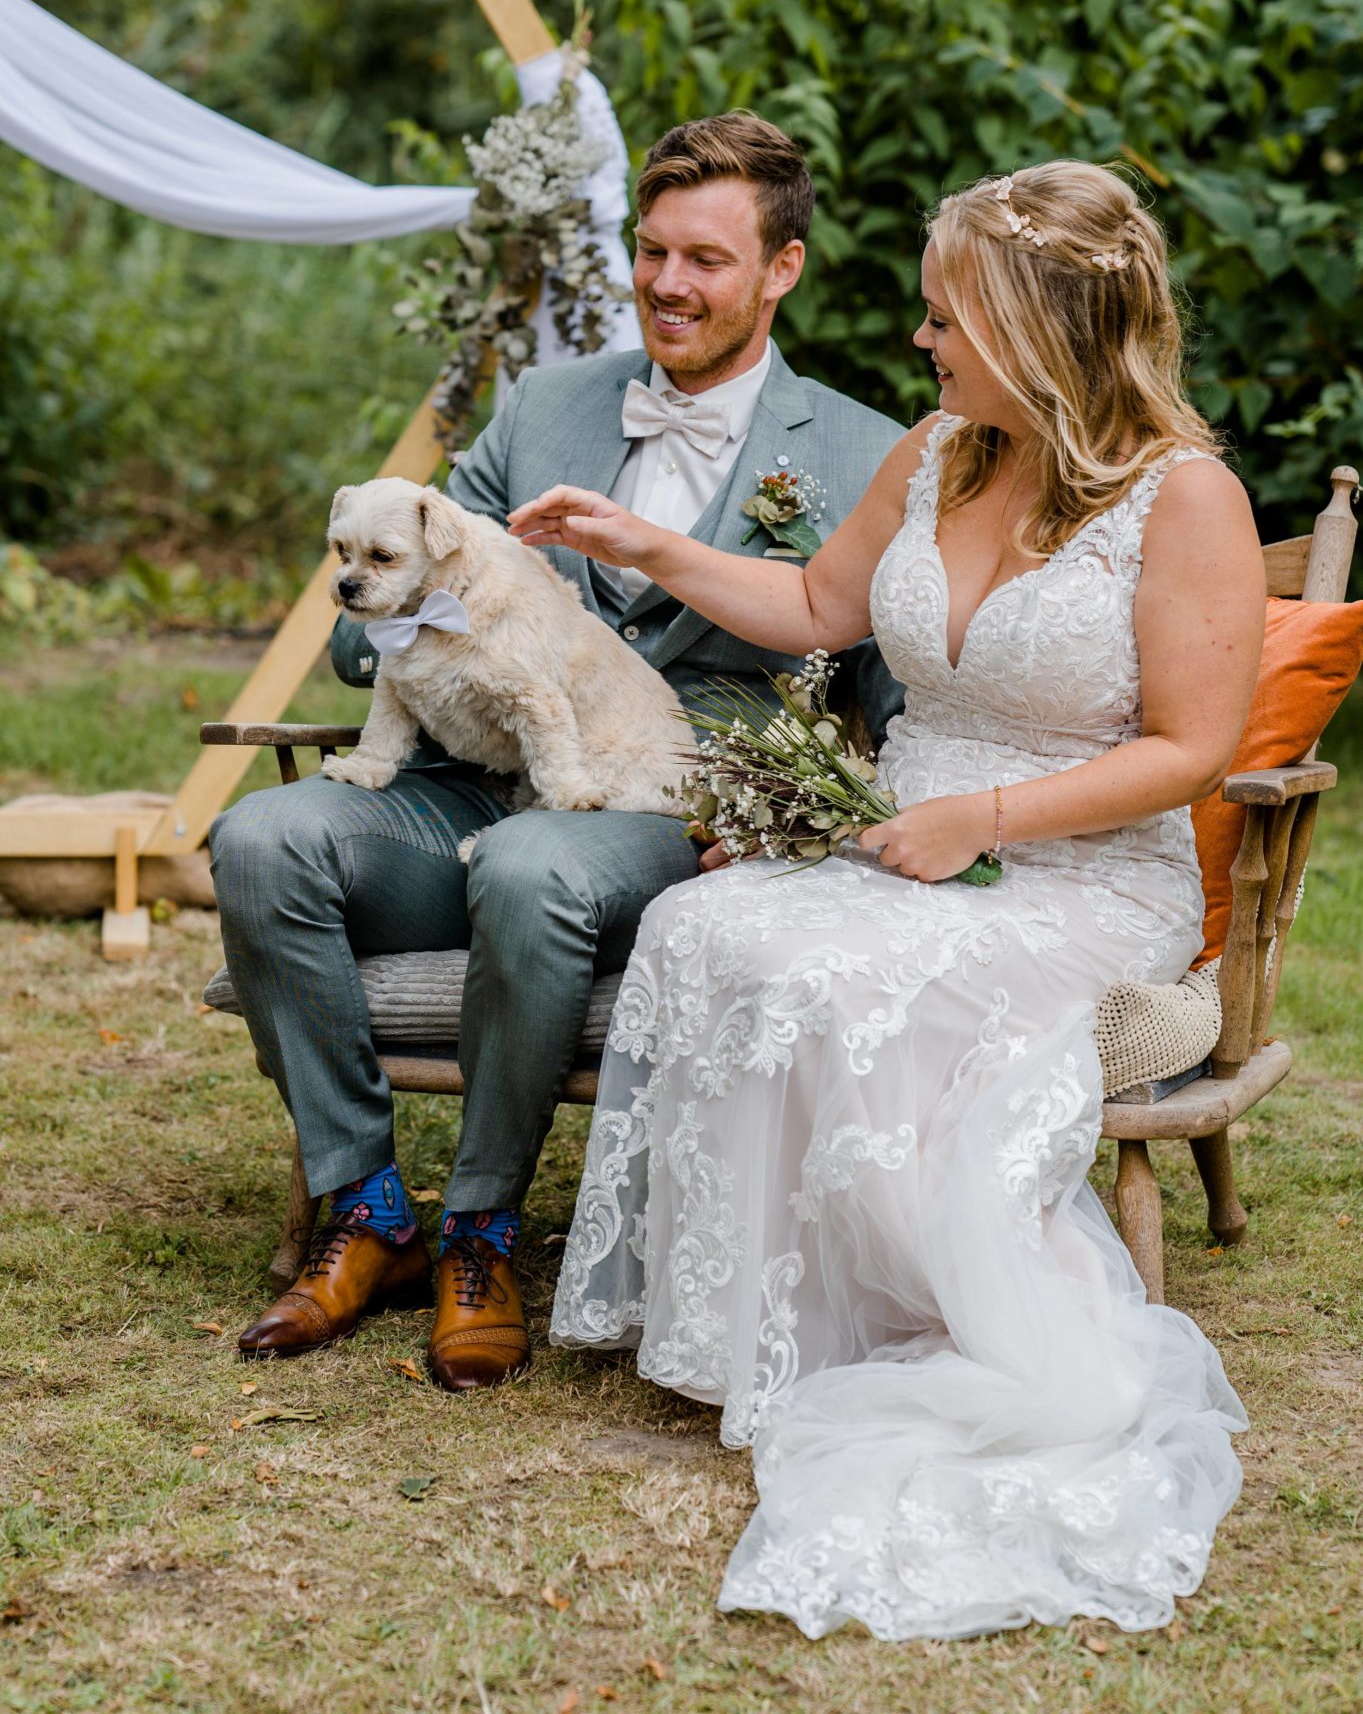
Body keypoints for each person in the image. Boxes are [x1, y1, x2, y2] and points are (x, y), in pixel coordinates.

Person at [510, 159, 1266, 1640]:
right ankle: (746, 1331)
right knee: (705, 927)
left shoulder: (1186, 500)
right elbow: (812, 608)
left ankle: (885, 1330)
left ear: (1040, 325)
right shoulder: (937, 454)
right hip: (904, 839)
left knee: (836, 982)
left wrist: (974, 817)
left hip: (1077, 875)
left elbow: (1192, 750)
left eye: (944, 319)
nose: (920, 344)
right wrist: (642, 543)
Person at [209, 112, 905, 1390]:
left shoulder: (862, 451)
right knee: (260, 835)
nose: (666, 283)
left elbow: (894, 690)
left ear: (782, 270)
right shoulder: (545, 403)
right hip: (449, 782)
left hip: (662, 807)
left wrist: (818, 822)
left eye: (704, 257)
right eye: (650, 250)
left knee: (532, 864)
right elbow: (374, 625)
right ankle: (368, 1212)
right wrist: (422, 623)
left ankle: (482, 1233)